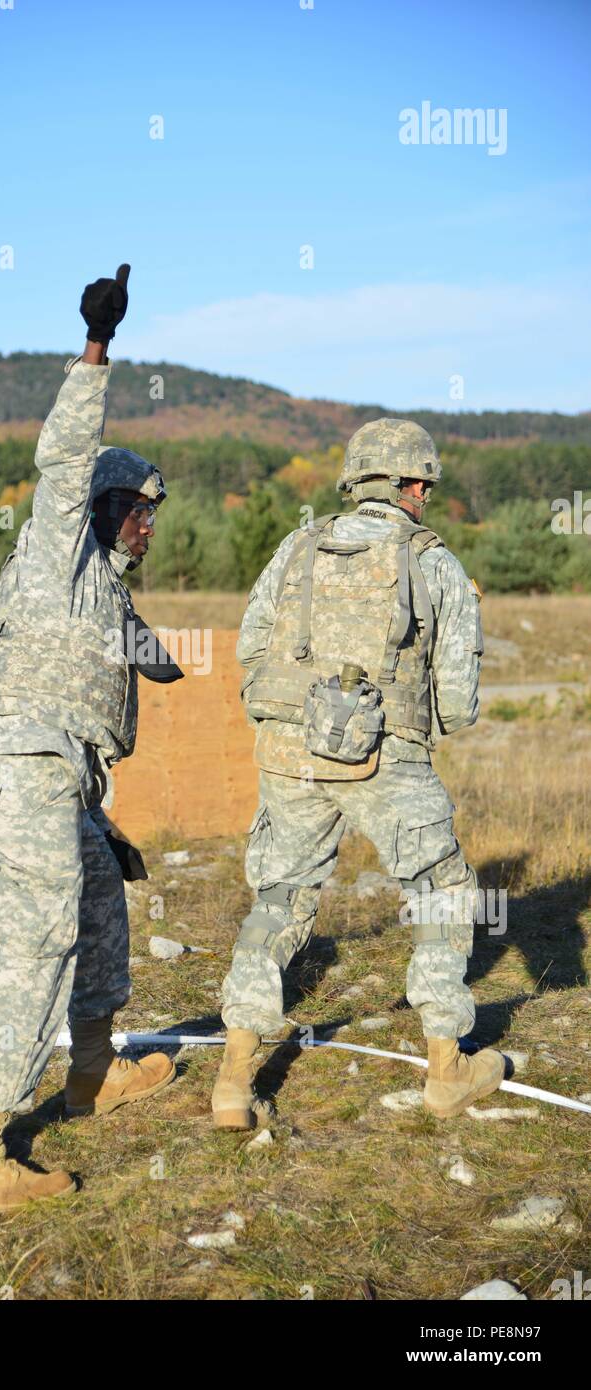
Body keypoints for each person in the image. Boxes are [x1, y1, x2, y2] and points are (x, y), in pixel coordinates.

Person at [0, 265, 179, 1211]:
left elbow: (156, 660)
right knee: (37, 944)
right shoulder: (56, 548)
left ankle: (88, 1074)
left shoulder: (106, 594)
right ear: (108, 507)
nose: (152, 526)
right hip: (23, 764)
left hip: (64, 779)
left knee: (101, 908)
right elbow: (64, 458)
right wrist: (96, 348)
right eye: (142, 509)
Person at [212, 418, 506, 1129]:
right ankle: (446, 1067)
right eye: (424, 486)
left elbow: (250, 645)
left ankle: (232, 1077)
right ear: (410, 484)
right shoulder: (432, 560)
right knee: (439, 890)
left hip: (287, 751)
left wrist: (298, 717)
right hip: (387, 755)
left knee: (280, 897)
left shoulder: (297, 545)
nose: (426, 499)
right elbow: (458, 705)